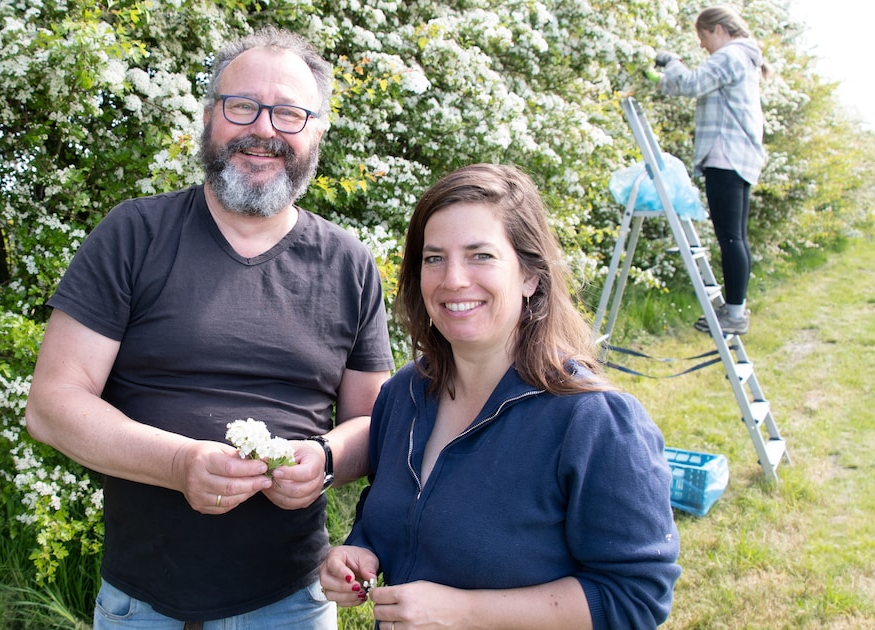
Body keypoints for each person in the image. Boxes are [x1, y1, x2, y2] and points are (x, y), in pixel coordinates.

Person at [24, 26, 395, 629]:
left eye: (289, 114)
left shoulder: (347, 263)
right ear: (208, 117)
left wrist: (324, 459)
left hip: (291, 602)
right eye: (242, 106)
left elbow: (377, 424)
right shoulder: (133, 235)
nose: (264, 129)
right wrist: (179, 464)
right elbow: (52, 404)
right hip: (140, 602)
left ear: (317, 131)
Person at [320, 164, 681, 629]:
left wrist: (464, 613)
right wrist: (361, 549)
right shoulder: (403, 395)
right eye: (433, 258)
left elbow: (634, 599)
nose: (452, 279)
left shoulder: (595, 420)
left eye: (480, 255)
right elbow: (394, 513)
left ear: (530, 275)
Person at [655, 5, 768, 335]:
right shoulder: (742, 57)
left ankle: (734, 314)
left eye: (703, 37)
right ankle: (735, 307)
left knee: (730, 237)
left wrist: (672, 62)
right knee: (736, 237)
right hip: (739, 157)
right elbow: (693, 87)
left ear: (718, 29)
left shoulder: (731, 55)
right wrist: (663, 81)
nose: (703, 45)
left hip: (726, 156)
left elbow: (691, 84)